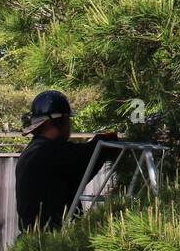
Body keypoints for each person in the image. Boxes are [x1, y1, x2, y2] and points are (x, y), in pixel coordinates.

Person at [15, 90, 118, 232]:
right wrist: (108, 140)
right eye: (68, 120)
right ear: (60, 121)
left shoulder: (32, 151)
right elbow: (89, 153)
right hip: (52, 244)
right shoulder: (51, 153)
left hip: (33, 241)